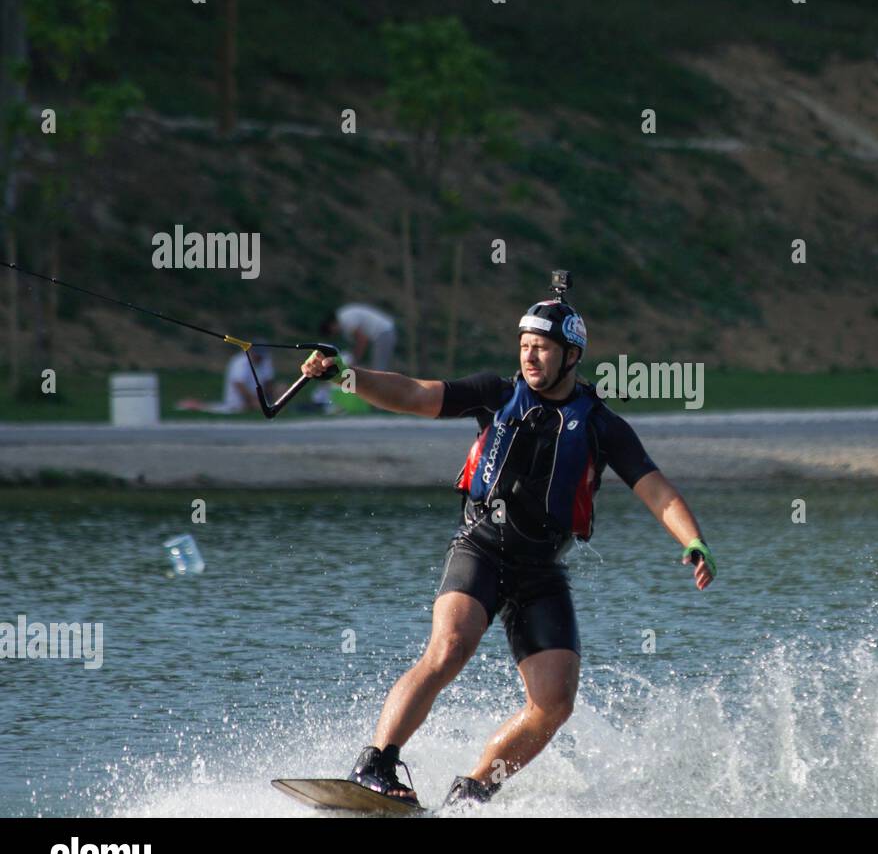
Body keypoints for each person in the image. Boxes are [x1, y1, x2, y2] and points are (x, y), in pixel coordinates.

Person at [300, 286, 717, 811]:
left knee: (555, 702)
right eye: (523, 345)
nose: (529, 355)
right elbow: (413, 393)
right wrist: (346, 375)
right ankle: (377, 762)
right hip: (480, 547)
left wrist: (693, 541)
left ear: (571, 356)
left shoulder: (601, 426)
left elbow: (656, 490)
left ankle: (473, 790)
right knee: (451, 646)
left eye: (541, 347)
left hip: (541, 570)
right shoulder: (495, 394)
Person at [177, 346, 278, 414]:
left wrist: (271, 399)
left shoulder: (265, 361)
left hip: (257, 397)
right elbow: (239, 384)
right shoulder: (240, 362)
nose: (260, 358)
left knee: (282, 388)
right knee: (219, 408)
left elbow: (268, 381)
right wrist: (254, 400)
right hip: (239, 400)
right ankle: (190, 404)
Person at [320, 303, 397, 372]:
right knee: (377, 366)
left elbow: (362, 340)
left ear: (331, 325)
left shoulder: (345, 318)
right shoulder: (343, 319)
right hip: (381, 332)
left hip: (383, 331)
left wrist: (355, 360)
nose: (335, 334)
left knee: (379, 368)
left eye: (333, 332)